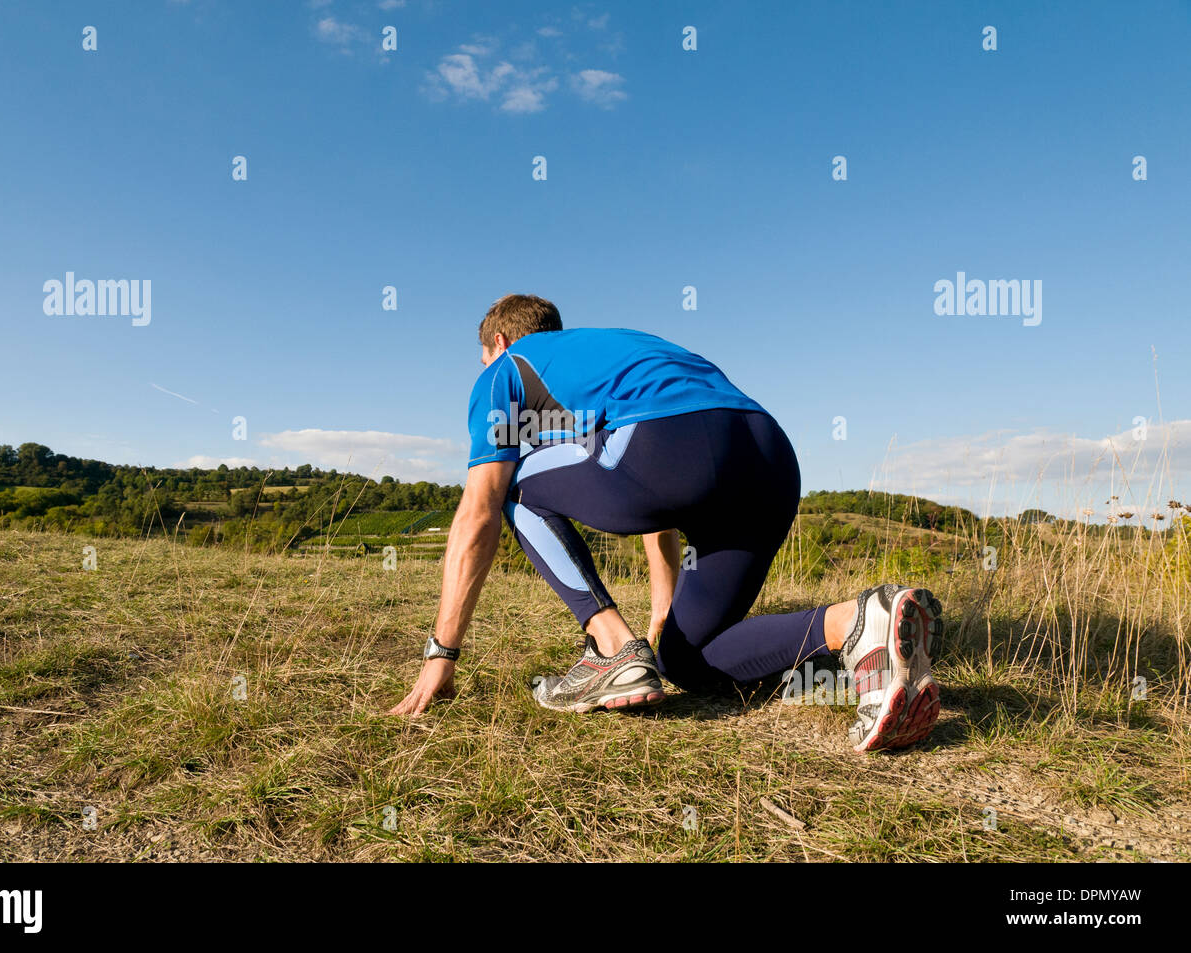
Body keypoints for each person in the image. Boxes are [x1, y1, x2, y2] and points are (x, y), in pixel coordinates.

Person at [390, 294, 942, 751]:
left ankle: (610, 648)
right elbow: (659, 484)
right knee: (689, 659)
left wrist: (442, 654)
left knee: (510, 484)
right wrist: (663, 610)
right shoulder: (606, 354)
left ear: (499, 344)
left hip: (667, 446)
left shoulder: (505, 371)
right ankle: (858, 624)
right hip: (768, 457)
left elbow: (478, 513)